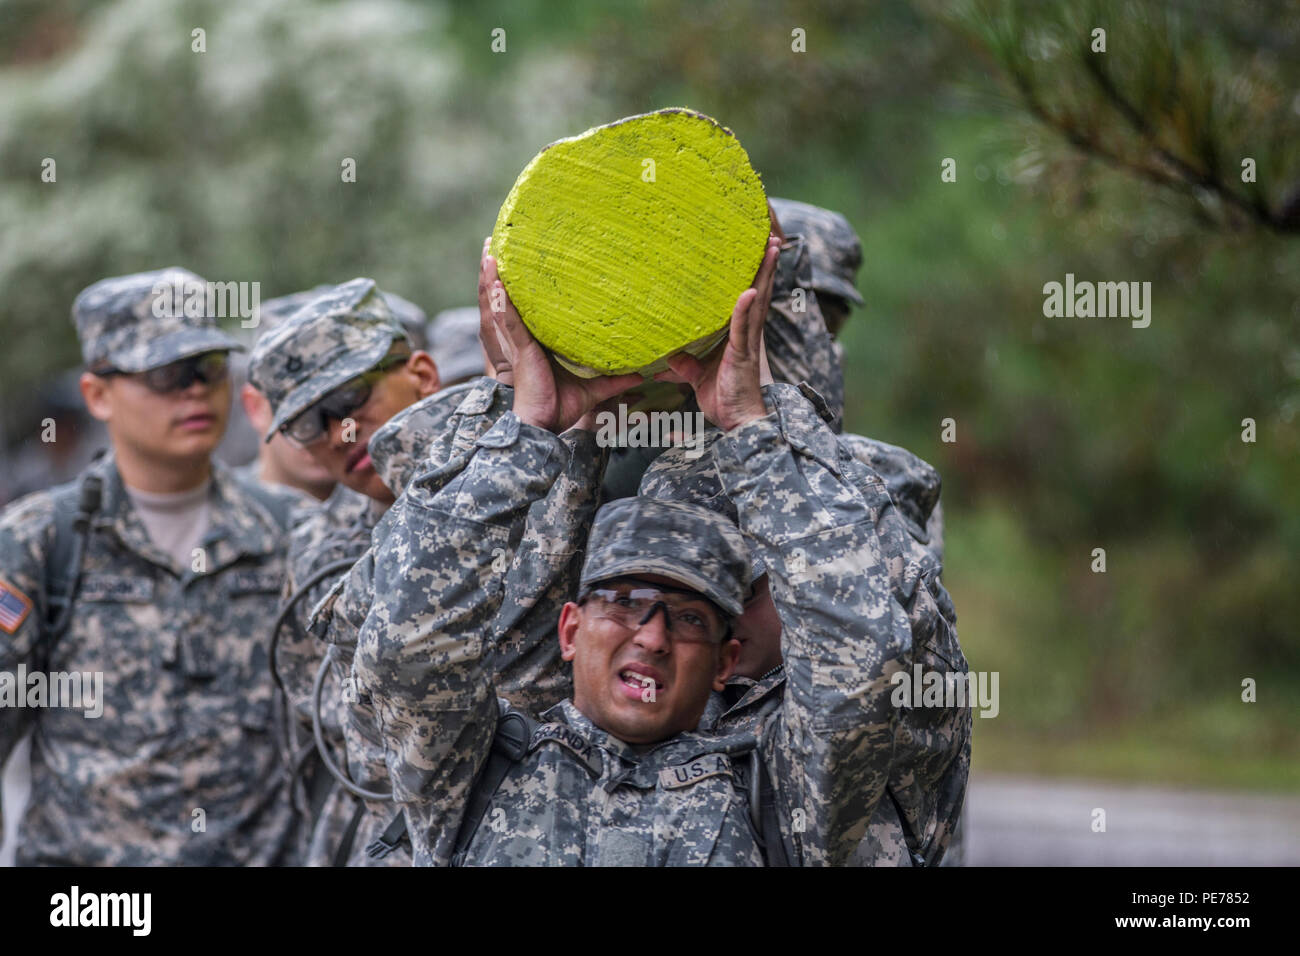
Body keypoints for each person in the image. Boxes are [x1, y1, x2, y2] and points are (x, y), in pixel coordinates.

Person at [350, 237, 925, 865]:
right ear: (569, 629)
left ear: (726, 661)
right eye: (625, 603)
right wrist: (527, 428)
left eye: (688, 619)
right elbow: (408, 644)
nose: (652, 639)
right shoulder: (472, 773)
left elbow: (861, 661)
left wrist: (750, 427)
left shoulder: (780, 797)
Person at [0, 267, 301, 865]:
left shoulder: (289, 529)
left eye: (208, 370)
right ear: (97, 395)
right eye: (165, 375)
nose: (194, 392)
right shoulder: (40, 542)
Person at [247, 278, 447, 865]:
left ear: (424, 375)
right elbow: (354, 747)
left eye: (352, 398)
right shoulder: (319, 557)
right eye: (309, 422)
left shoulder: (532, 476)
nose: (342, 433)